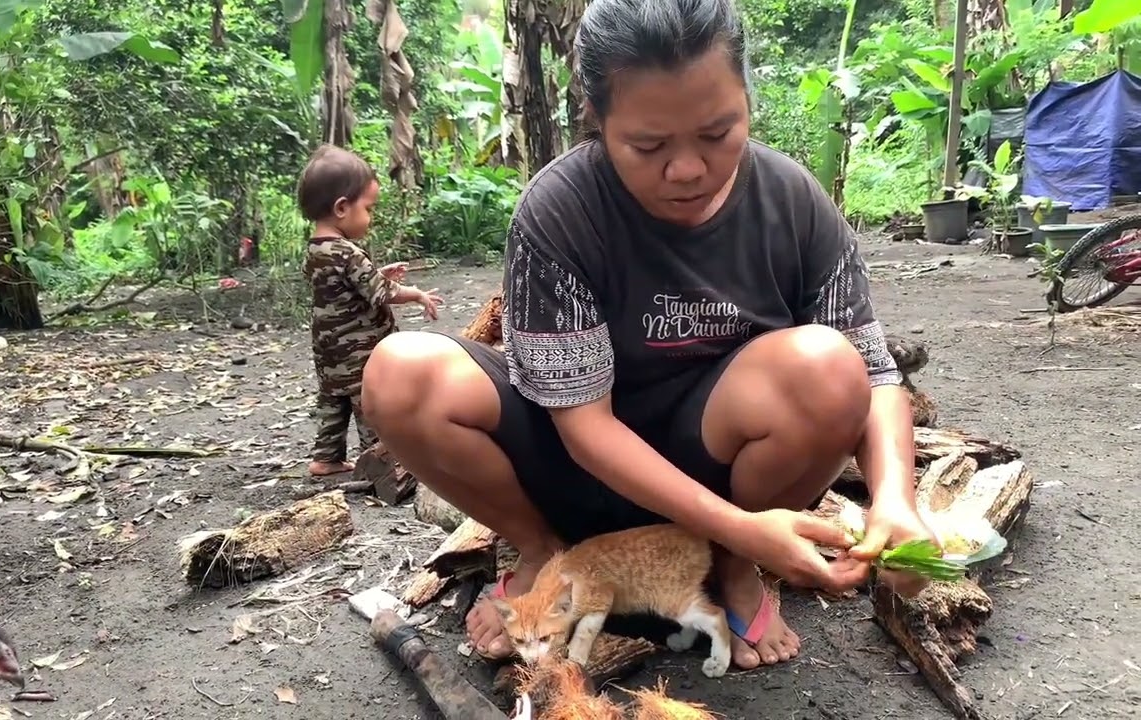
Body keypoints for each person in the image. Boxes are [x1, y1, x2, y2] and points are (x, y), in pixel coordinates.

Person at [360, 0, 939, 671]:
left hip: (718, 463)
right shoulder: (561, 212)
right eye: (649, 146)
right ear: (598, 119)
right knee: (401, 372)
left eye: (717, 132)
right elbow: (585, 429)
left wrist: (897, 498)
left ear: (747, 99)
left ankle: (731, 566)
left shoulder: (794, 204)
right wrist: (744, 523)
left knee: (829, 368)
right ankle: (545, 547)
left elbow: (873, 374)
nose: (688, 168)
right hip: (575, 463)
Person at [297, 144, 444, 477]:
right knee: (368, 404)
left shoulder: (315, 249)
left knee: (334, 402)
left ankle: (326, 458)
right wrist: (416, 294)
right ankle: (377, 461)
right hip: (359, 349)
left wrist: (377, 274)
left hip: (329, 349)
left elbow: (341, 288)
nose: (371, 217)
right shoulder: (348, 252)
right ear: (341, 208)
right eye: (369, 208)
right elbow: (381, 293)